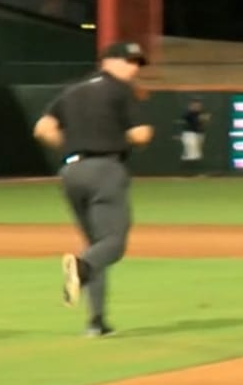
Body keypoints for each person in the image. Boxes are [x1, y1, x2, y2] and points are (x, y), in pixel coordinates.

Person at [31, 41, 156, 337]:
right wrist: (122, 138)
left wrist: (73, 147)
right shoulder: (120, 90)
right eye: (129, 61)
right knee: (112, 244)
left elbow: (42, 128)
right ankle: (81, 268)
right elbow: (141, 133)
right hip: (105, 169)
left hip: (71, 171)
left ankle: (96, 322)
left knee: (96, 245)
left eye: (138, 63)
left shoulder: (73, 90)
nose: (134, 68)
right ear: (108, 62)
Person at [180, 97, 210, 175]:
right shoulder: (188, 114)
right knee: (192, 153)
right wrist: (202, 118)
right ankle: (187, 172)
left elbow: (204, 120)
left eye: (198, 105)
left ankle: (193, 172)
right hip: (189, 134)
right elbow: (190, 119)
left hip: (199, 134)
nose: (197, 106)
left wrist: (204, 118)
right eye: (195, 105)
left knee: (197, 154)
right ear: (191, 106)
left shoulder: (201, 113)